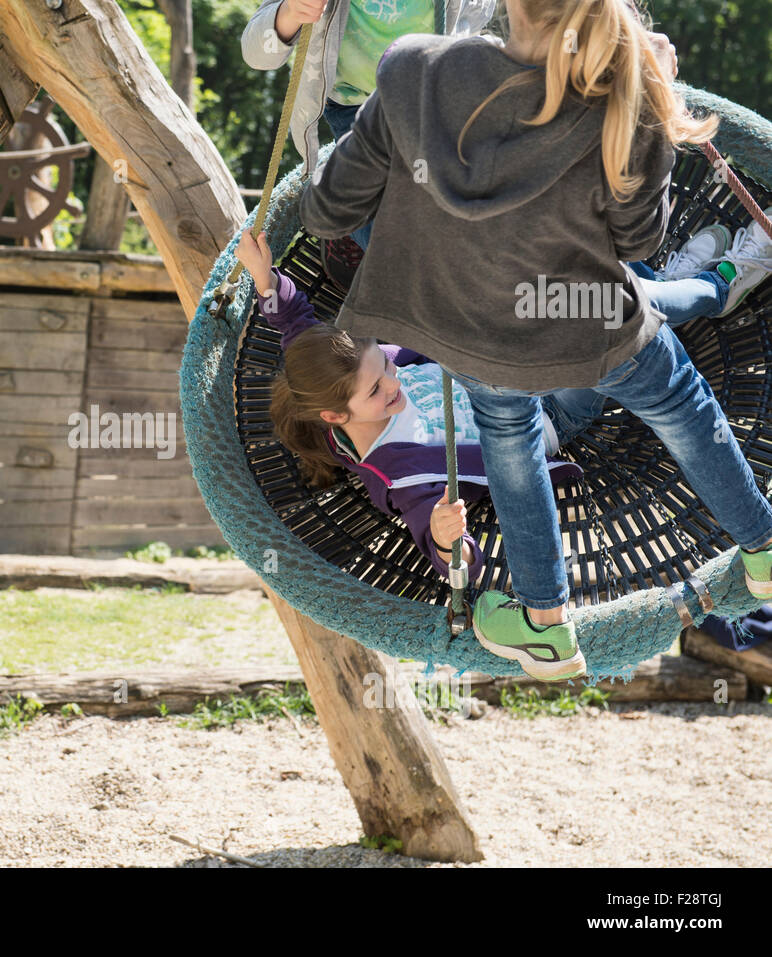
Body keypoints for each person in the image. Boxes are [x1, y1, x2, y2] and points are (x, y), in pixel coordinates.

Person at [290, 0, 772, 680]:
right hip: (598, 321)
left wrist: (402, 169)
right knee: (681, 407)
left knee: (510, 441)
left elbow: (326, 211)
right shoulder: (621, 99)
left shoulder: (411, 72)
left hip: (476, 336)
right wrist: (654, 108)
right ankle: (762, 542)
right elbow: (639, 241)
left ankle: (544, 622)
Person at [235, 225, 771, 629]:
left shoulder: (333, 373)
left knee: (585, 288)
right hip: (549, 414)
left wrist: (264, 278)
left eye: (388, 364)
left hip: (513, 355)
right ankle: (712, 286)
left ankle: (668, 283)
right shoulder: (400, 474)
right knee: (611, 330)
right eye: (377, 390)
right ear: (337, 417)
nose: (393, 381)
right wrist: (450, 544)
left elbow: (296, 324)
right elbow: (450, 555)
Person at [241, 0, 499, 252]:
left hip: (432, 104)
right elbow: (256, 54)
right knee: (383, 239)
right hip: (355, 112)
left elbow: (483, 25)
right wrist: (290, 12)